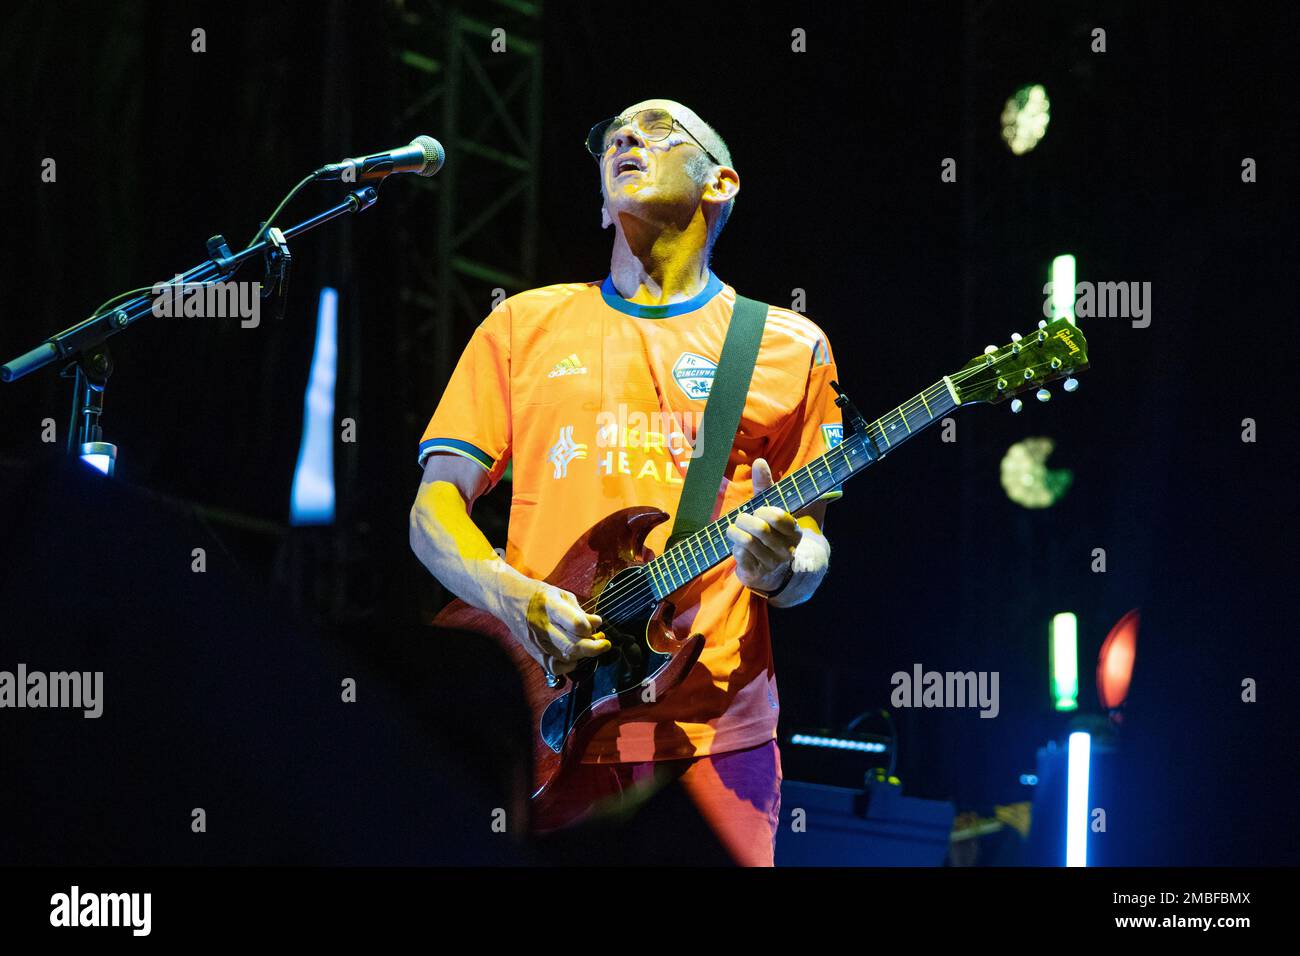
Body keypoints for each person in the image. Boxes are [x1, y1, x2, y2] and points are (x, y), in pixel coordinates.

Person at [409, 99, 844, 866]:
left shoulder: (787, 344)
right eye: (613, 137)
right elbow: (431, 510)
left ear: (721, 184)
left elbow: (809, 553)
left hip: (712, 735)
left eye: (655, 128)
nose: (626, 138)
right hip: (543, 713)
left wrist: (785, 568)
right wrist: (510, 593)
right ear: (602, 206)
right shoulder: (522, 326)